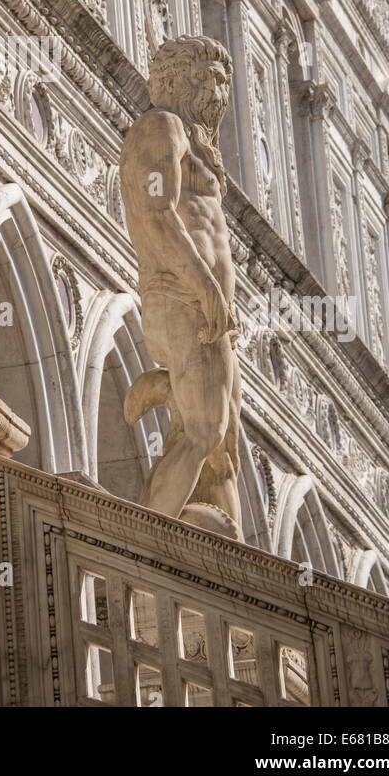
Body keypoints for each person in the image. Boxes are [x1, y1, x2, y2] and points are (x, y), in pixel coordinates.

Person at [120, 35, 242, 535]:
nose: (216, 94)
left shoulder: (200, 149)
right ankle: (146, 544)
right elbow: (157, 214)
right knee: (203, 432)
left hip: (212, 315)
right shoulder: (161, 127)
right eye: (205, 79)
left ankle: (238, 563)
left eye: (222, 82)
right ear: (177, 80)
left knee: (224, 450)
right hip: (181, 297)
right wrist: (204, 286)